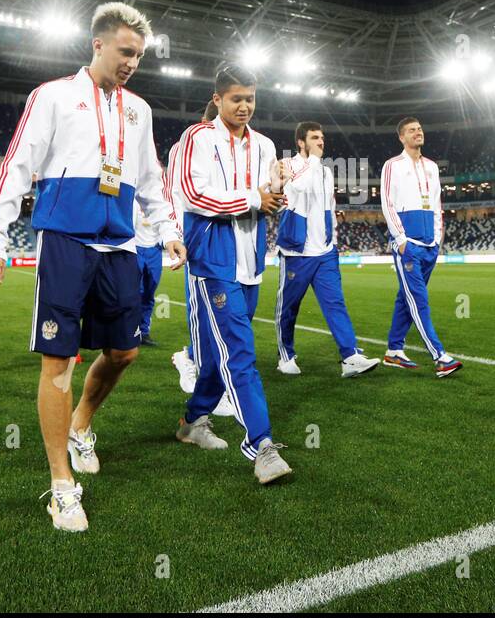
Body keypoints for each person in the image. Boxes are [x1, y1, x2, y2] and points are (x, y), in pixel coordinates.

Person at [0, 2, 186, 533]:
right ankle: (62, 486)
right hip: (65, 242)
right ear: (97, 44)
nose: (132, 62)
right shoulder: (52, 96)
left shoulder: (139, 110)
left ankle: (81, 424)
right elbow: (16, 165)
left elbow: (151, 178)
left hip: (120, 245)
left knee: (125, 350)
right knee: (60, 361)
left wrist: (169, 231)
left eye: (138, 55)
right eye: (124, 51)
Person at [171, 64, 292, 484]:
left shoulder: (264, 144)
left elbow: (267, 197)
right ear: (218, 98)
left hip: (251, 257)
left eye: (250, 99)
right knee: (240, 352)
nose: (244, 106)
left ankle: (191, 421)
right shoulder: (197, 137)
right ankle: (262, 445)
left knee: (217, 352)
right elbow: (192, 194)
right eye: (236, 99)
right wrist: (253, 198)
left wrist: (277, 195)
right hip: (212, 256)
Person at [273, 121, 379, 378]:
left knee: (335, 304)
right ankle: (285, 354)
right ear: (301, 142)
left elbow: (329, 207)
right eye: (314, 138)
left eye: (322, 137)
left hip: (325, 252)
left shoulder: (324, 171)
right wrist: (314, 162)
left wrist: (333, 241)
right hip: (298, 252)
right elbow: (297, 189)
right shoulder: (287, 165)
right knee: (288, 307)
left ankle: (350, 356)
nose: (321, 141)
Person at [380, 117, 462, 378]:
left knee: (406, 297)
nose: (418, 132)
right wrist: (400, 239)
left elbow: (437, 204)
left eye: (420, 129)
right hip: (409, 245)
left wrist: (438, 239)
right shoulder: (392, 165)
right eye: (412, 130)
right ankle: (439, 357)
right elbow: (387, 203)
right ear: (402, 138)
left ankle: (394, 351)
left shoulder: (432, 167)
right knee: (418, 299)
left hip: (430, 245)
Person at [132, 203, 162, 346]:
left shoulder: (159, 201)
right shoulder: (134, 198)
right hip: (136, 247)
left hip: (155, 250)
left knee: (149, 293)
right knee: (136, 292)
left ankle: (144, 332)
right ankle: (131, 330)